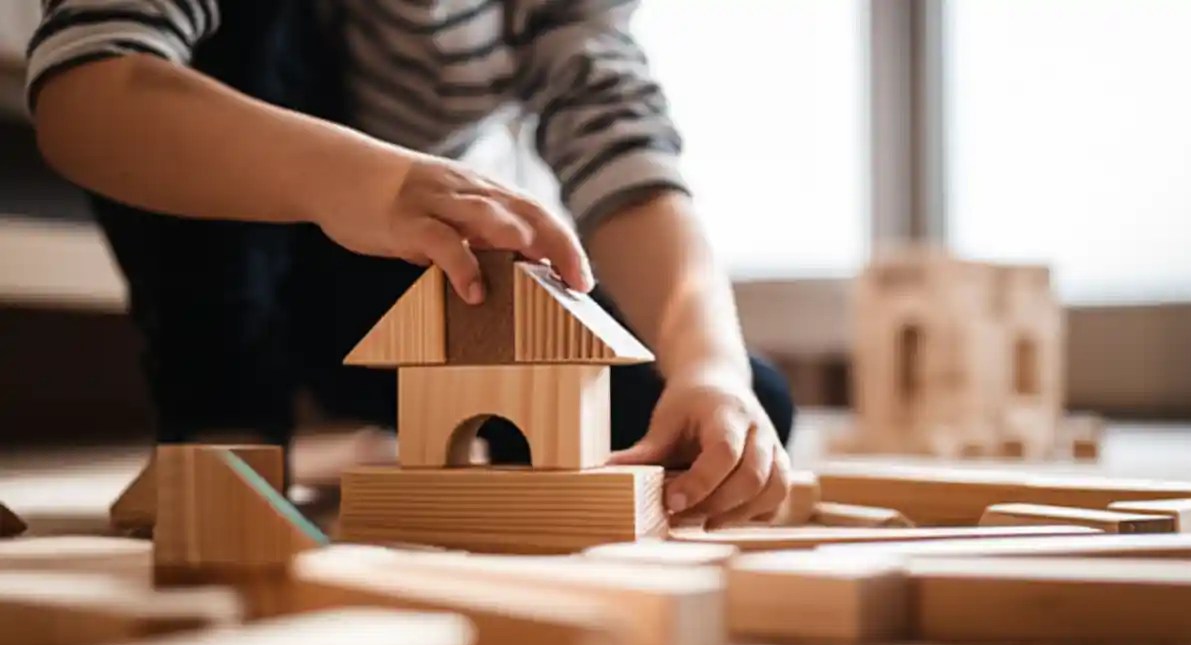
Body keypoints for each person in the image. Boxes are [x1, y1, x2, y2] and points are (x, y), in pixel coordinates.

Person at [25, 0, 796, 528]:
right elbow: (87, 89)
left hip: (388, 284)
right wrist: (358, 181)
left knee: (724, 419)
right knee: (236, 36)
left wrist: (709, 366)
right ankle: (223, 417)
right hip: (228, 247)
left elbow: (628, 158)